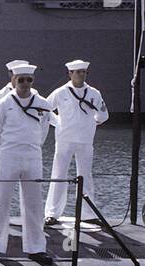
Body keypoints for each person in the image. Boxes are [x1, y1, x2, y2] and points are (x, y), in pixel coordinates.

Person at [0, 64, 54, 264]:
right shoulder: (3, 103)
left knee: (34, 203)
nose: (25, 84)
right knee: (0, 201)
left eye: (28, 80)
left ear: (33, 81)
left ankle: (36, 248)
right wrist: (6, 151)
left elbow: (43, 131)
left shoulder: (42, 103)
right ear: (14, 80)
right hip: (8, 155)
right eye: (21, 79)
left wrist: (31, 148)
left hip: (32, 156)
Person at [44, 59, 110, 224]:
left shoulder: (94, 93)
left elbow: (103, 115)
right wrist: (58, 122)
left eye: (83, 71)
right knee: (59, 175)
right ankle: (52, 213)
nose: (81, 74)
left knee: (85, 176)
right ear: (70, 73)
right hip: (64, 139)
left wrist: (91, 123)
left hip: (85, 141)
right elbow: (44, 109)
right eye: (78, 71)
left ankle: (88, 214)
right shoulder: (61, 92)